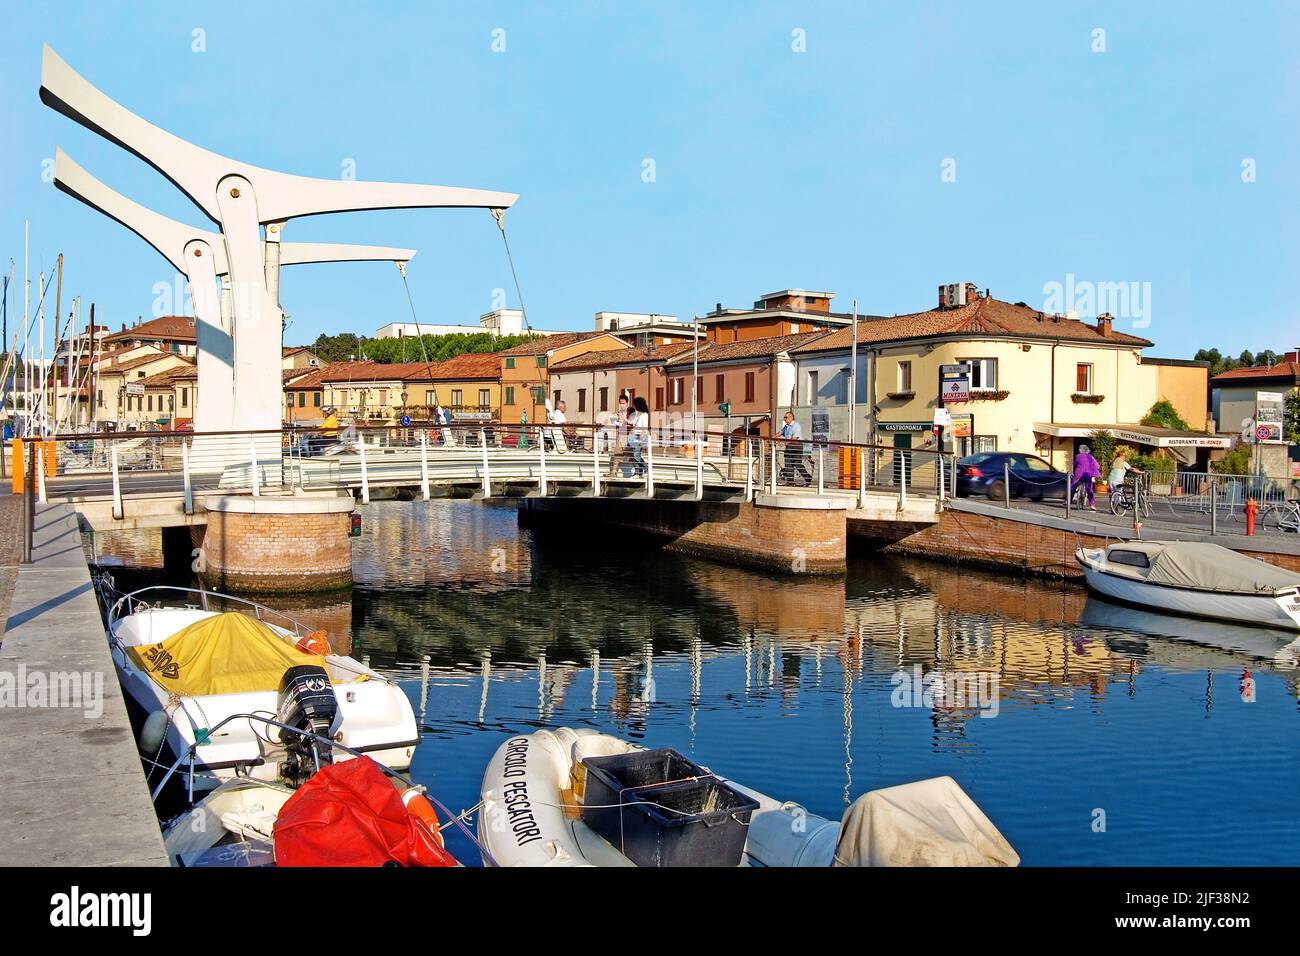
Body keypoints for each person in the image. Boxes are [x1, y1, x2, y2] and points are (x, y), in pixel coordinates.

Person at [779, 411, 812, 487]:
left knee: (797, 464)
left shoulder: (796, 425)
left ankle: (808, 478)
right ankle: (790, 482)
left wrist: (784, 443)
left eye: (786, 417)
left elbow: (794, 438)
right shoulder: (786, 426)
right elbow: (780, 432)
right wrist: (773, 437)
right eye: (784, 417)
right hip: (789, 447)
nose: (784, 419)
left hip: (796, 446)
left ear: (791, 417)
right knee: (788, 464)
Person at [1071, 443, 1101, 510]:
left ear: (1080, 450)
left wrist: (1074, 470)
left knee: (1073, 486)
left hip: (1078, 474)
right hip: (1087, 474)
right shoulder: (1090, 457)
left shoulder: (1077, 456)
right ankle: (1092, 505)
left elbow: (1074, 465)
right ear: (1087, 450)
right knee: (1089, 489)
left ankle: (1068, 501)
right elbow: (1097, 466)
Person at [627, 397, 650, 477]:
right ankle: (639, 473)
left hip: (639, 436)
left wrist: (643, 439)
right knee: (635, 454)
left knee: (636, 455)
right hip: (634, 436)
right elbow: (632, 422)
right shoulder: (637, 414)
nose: (633, 406)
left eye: (634, 404)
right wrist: (623, 419)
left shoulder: (644, 415)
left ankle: (647, 468)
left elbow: (645, 427)